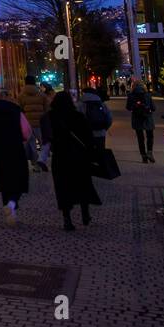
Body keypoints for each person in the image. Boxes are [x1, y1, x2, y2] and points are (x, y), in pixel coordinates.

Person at [46, 91, 101, 230]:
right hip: (79, 157)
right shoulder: (78, 116)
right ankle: (85, 213)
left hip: (60, 158)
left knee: (63, 188)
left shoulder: (51, 117)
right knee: (82, 184)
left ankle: (67, 219)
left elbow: (47, 138)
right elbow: (88, 137)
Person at [0, 88, 32, 225]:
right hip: (14, 148)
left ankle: (10, 211)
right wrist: (22, 139)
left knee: (3, 180)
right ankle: (12, 203)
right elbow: (26, 130)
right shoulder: (15, 109)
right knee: (19, 178)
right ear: (6, 96)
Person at [17, 74, 50, 172]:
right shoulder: (42, 95)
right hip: (41, 124)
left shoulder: (21, 96)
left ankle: (36, 165)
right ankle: (43, 161)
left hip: (28, 125)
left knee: (32, 145)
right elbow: (47, 109)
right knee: (43, 142)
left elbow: (20, 110)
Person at [127, 79, 156, 162]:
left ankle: (143, 156)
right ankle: (149, 152)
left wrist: (135, 106)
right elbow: (153, 108)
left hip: (136, 118)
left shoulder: (131, 95)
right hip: (147, 118)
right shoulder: (147, 95)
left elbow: (128, 108)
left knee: (140, 138)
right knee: (150, 136)